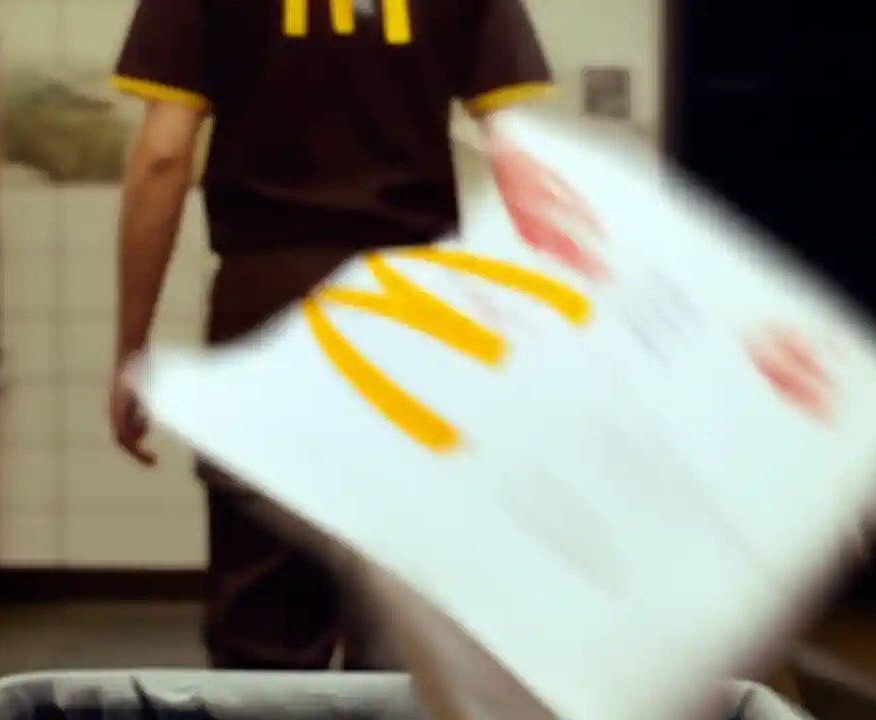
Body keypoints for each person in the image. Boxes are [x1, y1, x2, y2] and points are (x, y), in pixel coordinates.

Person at [107, 0, 555, 671]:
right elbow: (524, 158)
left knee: (264, 635)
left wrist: (132, 350)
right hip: (414, 318)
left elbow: (164, 157)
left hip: (265, 310)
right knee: (406, 634)